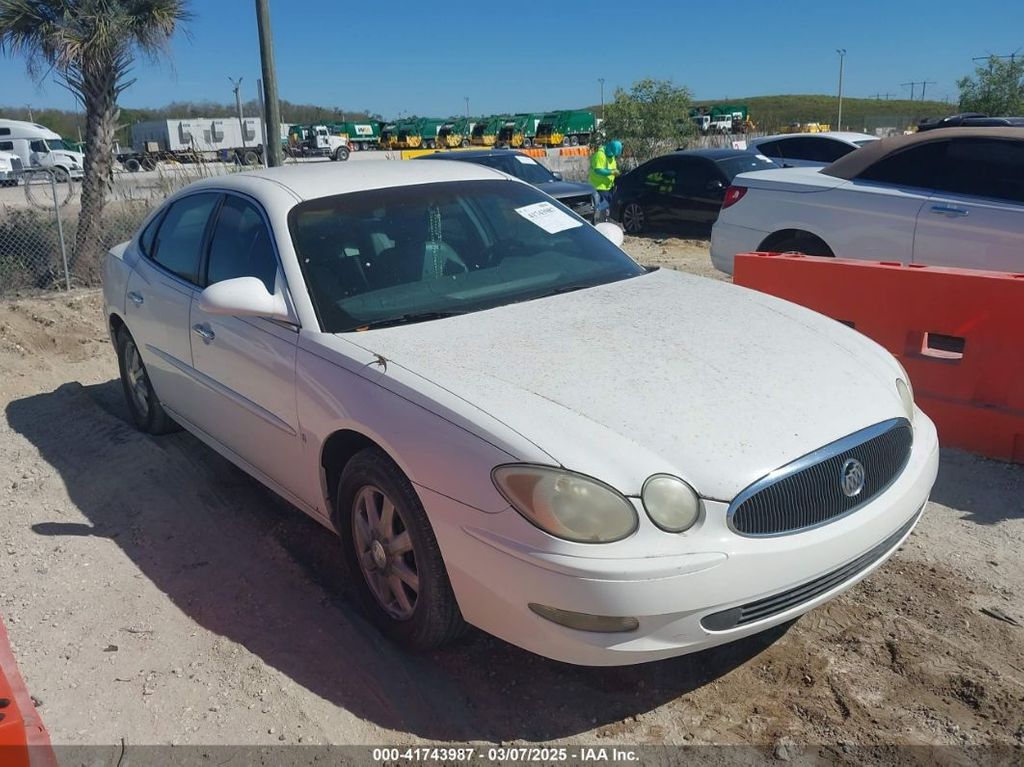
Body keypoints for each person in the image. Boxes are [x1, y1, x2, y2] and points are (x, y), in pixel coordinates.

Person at [589, 139, 622, 205]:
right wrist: (612, 172)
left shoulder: (611, 156)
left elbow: (612, 168)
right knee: (602, 208)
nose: (613, 156)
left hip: (609, 187)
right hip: (599, 187)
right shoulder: (600, 155)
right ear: (609, 148)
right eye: (612, 153)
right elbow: (598, 170)